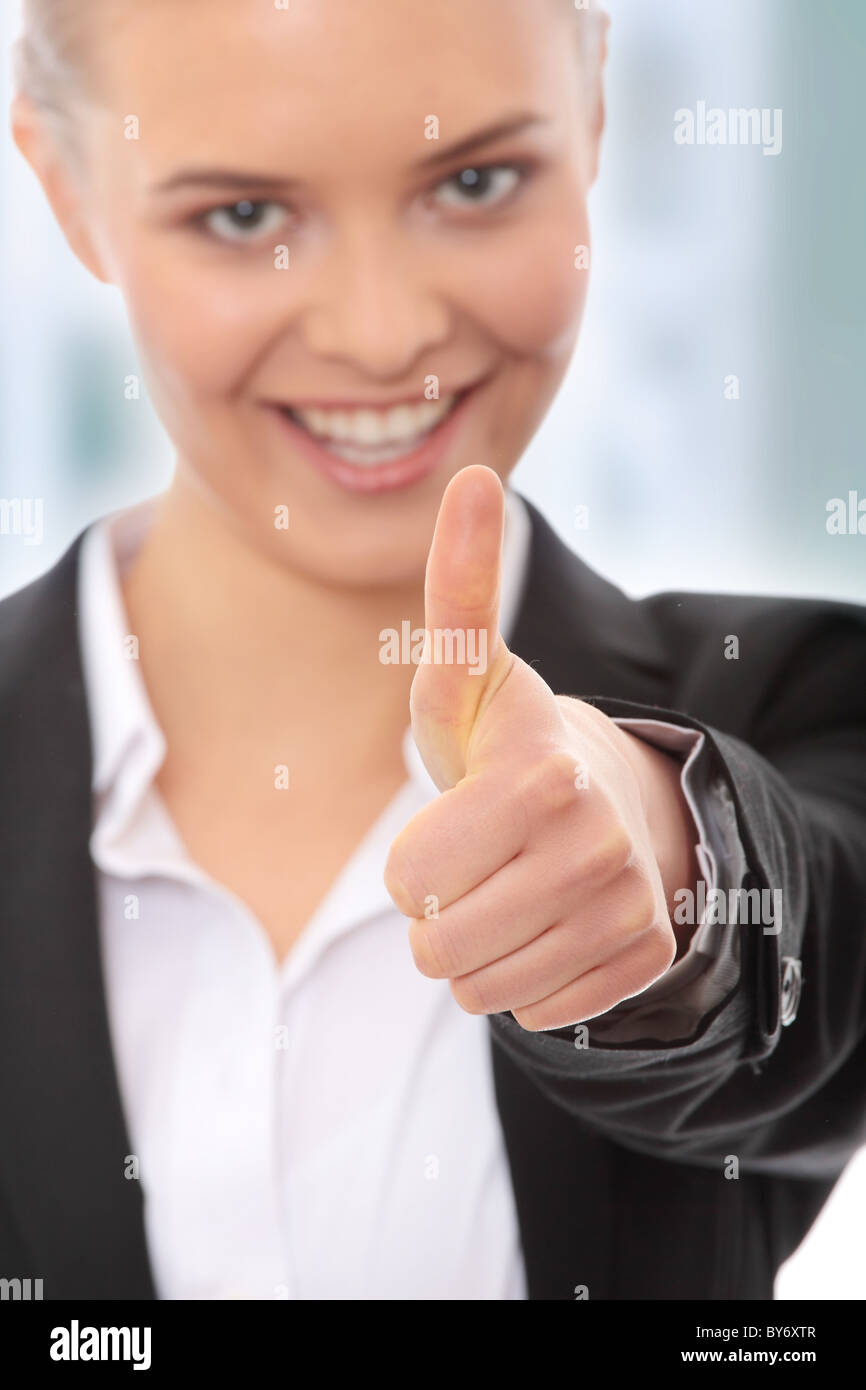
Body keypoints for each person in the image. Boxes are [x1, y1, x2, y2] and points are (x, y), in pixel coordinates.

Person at [2, 0, 864, 1301]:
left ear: (590, 118)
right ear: (68, 187)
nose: (380, 330)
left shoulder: (809, 701)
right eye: (244, 216)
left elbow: (816, 956)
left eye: (474, 180)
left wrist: (673, 863)